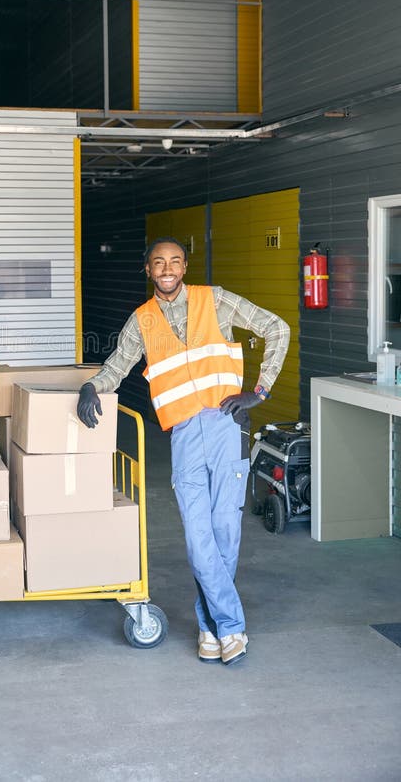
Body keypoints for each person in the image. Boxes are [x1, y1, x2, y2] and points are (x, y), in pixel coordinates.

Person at [77, 237, 290, 666]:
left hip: (226, 425)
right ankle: (229, 625)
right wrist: (91, 386)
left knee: (225, 532)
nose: (167, 268)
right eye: (159, 263)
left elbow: (276, 328)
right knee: (198, 538)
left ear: (185, 266)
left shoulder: (217, 300)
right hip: (184, 435)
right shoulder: (142, 321)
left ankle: (212, 629)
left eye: (174, 261)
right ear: (148, 270)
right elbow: (117, 368)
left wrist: (259, 391)